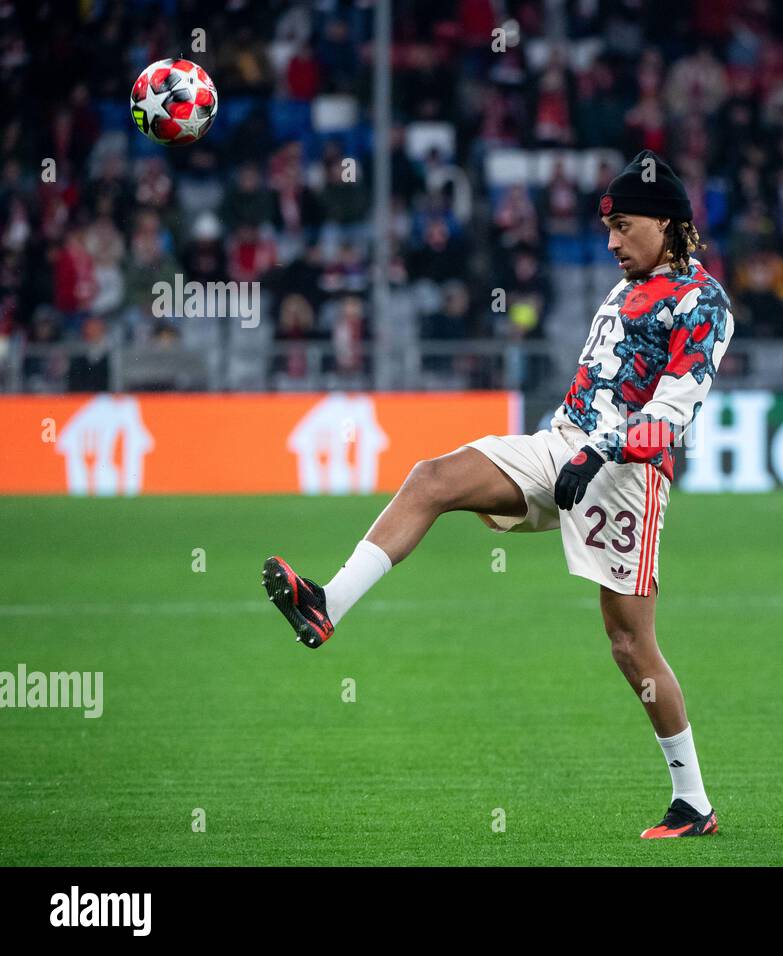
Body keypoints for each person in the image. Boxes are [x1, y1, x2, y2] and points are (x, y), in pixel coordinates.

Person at [262, 150, 732, 840]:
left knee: (630, 646)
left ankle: (693, 802)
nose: (611, 243)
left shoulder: (704, 301)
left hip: (626, 478)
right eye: (608, 229)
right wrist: (557, 448)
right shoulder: (624, 285)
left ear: (668, 223)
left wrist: (598, 451)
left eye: (624, 227)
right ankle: (327, 602)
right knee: (433, 478)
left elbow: (673, 412)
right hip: (559, 446)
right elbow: (596, 384)